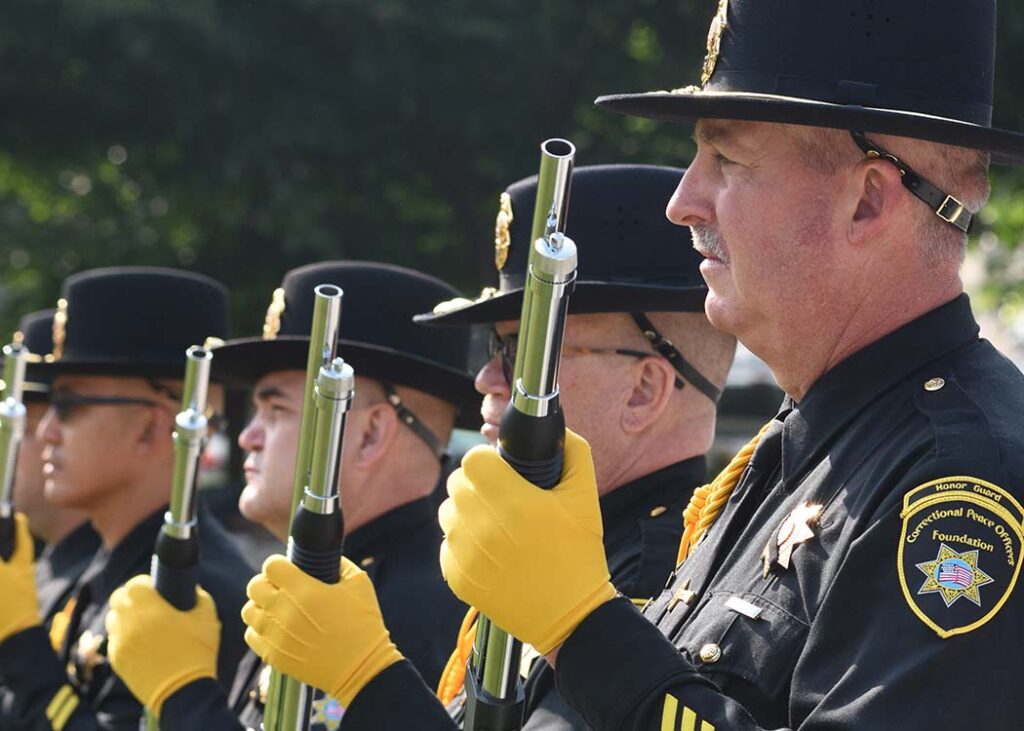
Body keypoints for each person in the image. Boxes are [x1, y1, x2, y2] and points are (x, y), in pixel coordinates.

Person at [250, 1, 1024, 728]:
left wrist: (581, 626)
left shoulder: (964, 483)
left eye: (727, 158)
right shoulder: (796, 458)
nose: (684, 200)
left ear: (867, 201)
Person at [238, 166, 737, 730]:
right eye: (494, 349)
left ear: (643, 390)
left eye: (525, 352)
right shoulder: (555, 558)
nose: (489, 380)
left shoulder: (653, 574)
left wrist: (369, 686)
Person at [105, 261, 478, 730]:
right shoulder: (317, 584)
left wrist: (185, 698)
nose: (248, 437)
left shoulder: (432, 614)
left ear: (370, 434)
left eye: (275, 409)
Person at [0, 267, 252, 730]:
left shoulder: (196, 590)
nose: (45, 431)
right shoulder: (109, 562)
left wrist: (18, 643)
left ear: (152, 427)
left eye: (68, 406)